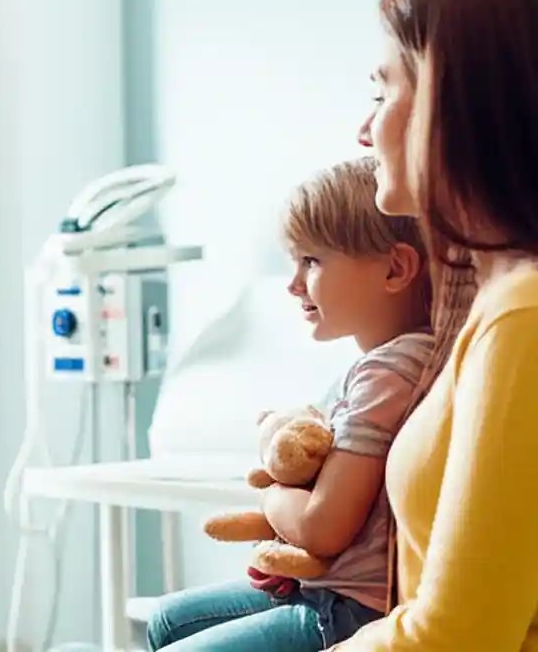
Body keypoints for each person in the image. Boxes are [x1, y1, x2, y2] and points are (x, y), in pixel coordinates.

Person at [333, 0, 538, 650]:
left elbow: (459, 635)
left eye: (381, 92)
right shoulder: (502, 302)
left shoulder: (524, 318)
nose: (365, 131)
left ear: (455, 104)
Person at [147, 157, 436, 651]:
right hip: (330, 591)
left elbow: (322, 528)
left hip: (351, 613)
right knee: (165, 621)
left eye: (313, 261)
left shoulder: (388, 374)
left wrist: (270, 498)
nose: (293, 283)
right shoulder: (393, 363)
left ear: (396, 268)